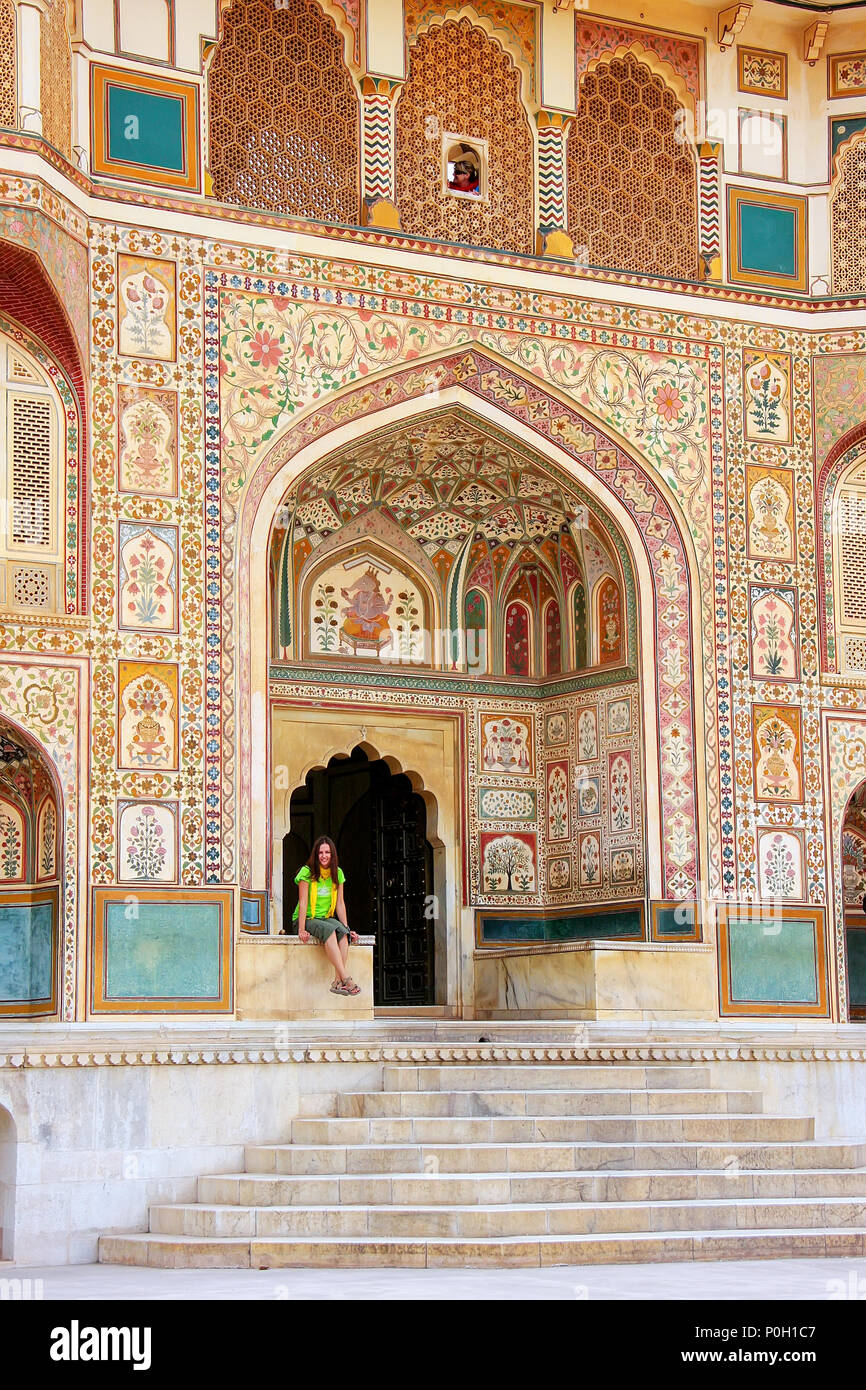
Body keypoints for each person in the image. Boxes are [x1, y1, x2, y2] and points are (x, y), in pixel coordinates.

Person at [292, 836, 361, 995]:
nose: (324, 856)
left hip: (325, 918)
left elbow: (340, 904)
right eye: (320, 853)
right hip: (305, 919)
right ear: (316, 855)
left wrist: (347, 928)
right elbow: (303, 902)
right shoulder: (306, 872)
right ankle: (346, 979)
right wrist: (301, 929)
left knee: (343, 935)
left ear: (332, 854)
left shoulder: (337, 873)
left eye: (327, 852)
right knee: (329, 932)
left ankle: (337, 982)